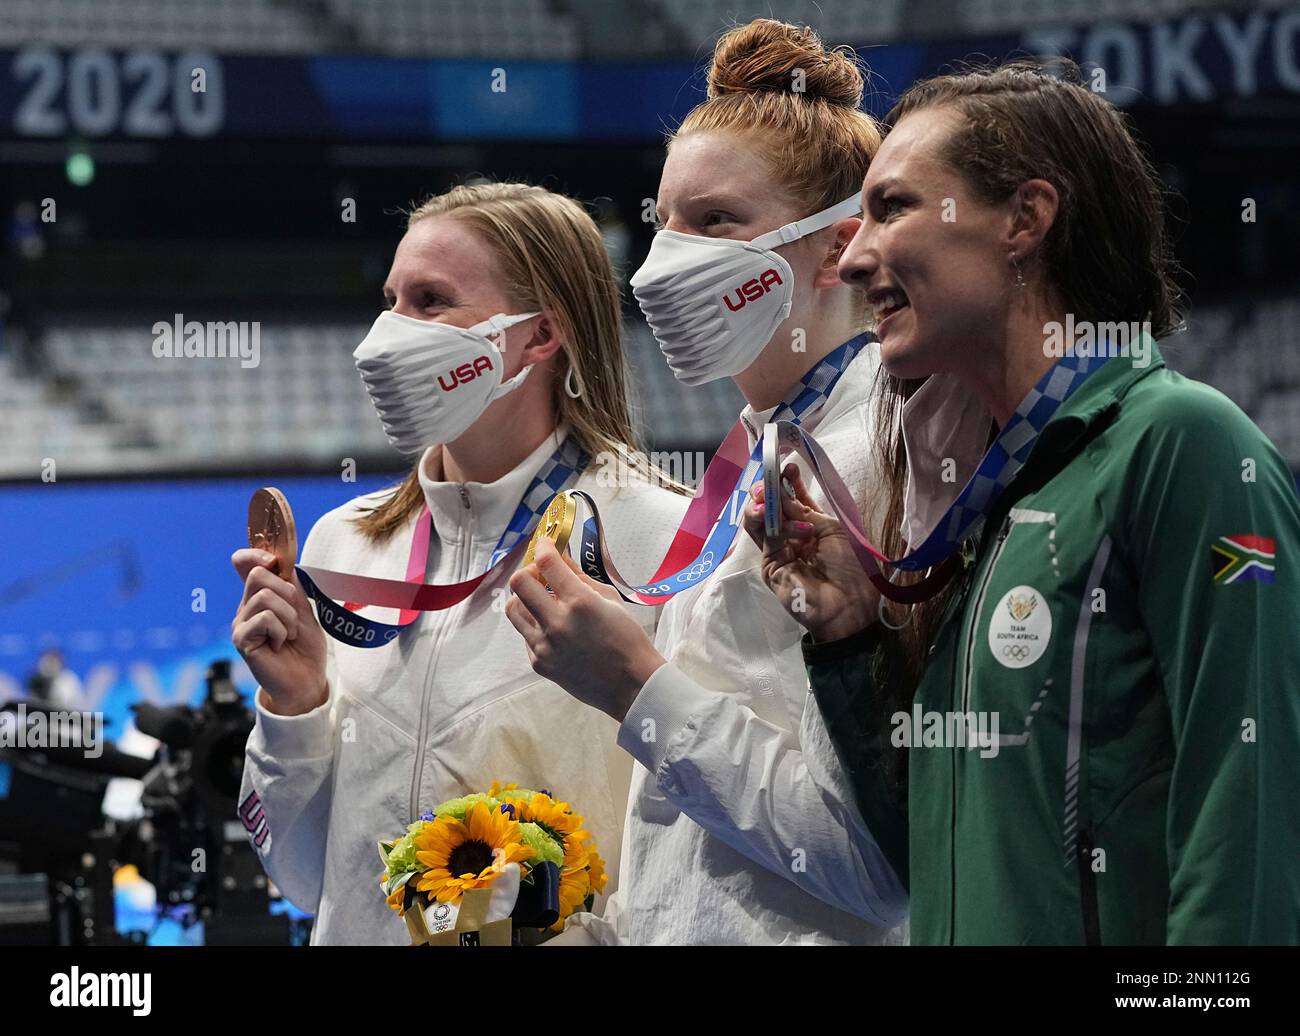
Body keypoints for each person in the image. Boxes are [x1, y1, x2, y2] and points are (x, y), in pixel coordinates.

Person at [745, 60, 1300, 944]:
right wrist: (850, 636)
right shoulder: (992, 499)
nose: (851, 258)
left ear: (1025, 220)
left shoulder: (1181, 443)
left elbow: (1252, 799)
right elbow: (918, 863)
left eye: (891, 208)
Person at [505, 20, 910, 944]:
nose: (663, 262)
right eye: (665, 222)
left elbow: (876, 867)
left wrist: (635, 684)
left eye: (716, 222)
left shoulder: (880, 467)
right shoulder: (761, 450)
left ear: (839, 246)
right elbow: (711, 853)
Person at [232, 182, 688, 945]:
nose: (387, 334)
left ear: (540, 335)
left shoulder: (661, 546)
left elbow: (684, 862)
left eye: (431, 301)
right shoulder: (343, 545)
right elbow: (309, 878)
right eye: (392, 298)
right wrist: (296, 710)